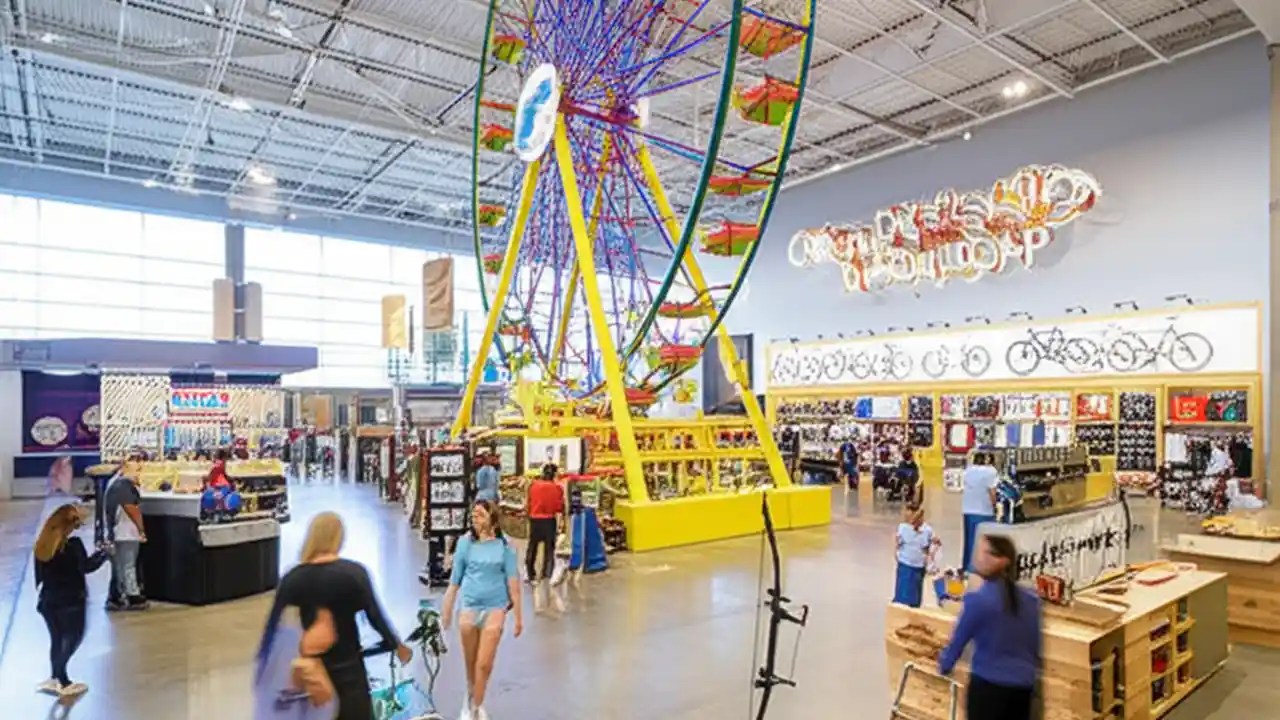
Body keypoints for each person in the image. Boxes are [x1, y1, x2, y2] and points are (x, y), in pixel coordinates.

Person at [258, 512, 411, 720]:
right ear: (338, 538)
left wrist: (266, 667)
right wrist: (397, 645)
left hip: (311, 681)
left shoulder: (292, 579)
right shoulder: (354, 574)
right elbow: (375, 617)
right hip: (350, 676)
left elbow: (273, 629)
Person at [939, 535, 1041, 720]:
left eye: (986, 553)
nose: (979, 558)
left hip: (988, 690)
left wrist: (944, 665)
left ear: (1003, 561)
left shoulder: (978, 601)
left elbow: (957, 643)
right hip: (1023, 691)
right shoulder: (1031, 600)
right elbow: (1034, 648)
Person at [441, 499, 523, 720]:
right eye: (473, 515)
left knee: (484, 663)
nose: (475, 518)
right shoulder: (465, 543)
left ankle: (478, 704)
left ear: (492, 519)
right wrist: (447, 610)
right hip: (470, 604)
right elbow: (455, 580)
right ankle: (470, 694)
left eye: (480, 514)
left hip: (495, 605)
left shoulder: (505, 546)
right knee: (471, 660)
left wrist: (518, 617)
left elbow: (513, 581)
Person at [33, 503, 109, 697]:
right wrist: (104, 554)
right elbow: (86, 567)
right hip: (71, 601)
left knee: (57, 639)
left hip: (48, 601)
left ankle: (54, 679)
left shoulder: (42, 545)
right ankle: (63, 680)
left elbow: (39, 577)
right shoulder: (73, 545)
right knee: (73, 638)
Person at [103, 466, 148, 611]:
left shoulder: (112, 484)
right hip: (127, 532)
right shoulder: (124, 486)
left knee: (118, 566)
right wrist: (141, 529)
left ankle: (116, 596)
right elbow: (131, 508)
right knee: (129, 565)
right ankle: (133, 596)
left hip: (115, 532)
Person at [525, 464, 564, 610]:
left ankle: (530, 572)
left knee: (532, 546)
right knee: (549, 548)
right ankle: (547, 573)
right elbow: (558, 507)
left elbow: (528, 502)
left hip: (535, 519)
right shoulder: (556, 488)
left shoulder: (533, 485)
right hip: (549, 520)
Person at [892, 505, 938, 608]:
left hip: (906, 565)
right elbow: (935, 544)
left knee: (902, 595)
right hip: (918, 566)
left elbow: (898, 543)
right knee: (915, 596)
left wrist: (897, 553)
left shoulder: (903, 528)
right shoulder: (928, 530)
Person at [960, 451, 999, 573]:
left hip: (968, 510)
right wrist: (995, 506)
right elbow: (992, 492)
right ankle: (980, 569)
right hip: (984, 512)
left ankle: (967, 567)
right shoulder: (990, 472)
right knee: (983, 542)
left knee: (969, 541)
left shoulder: (967, 472)